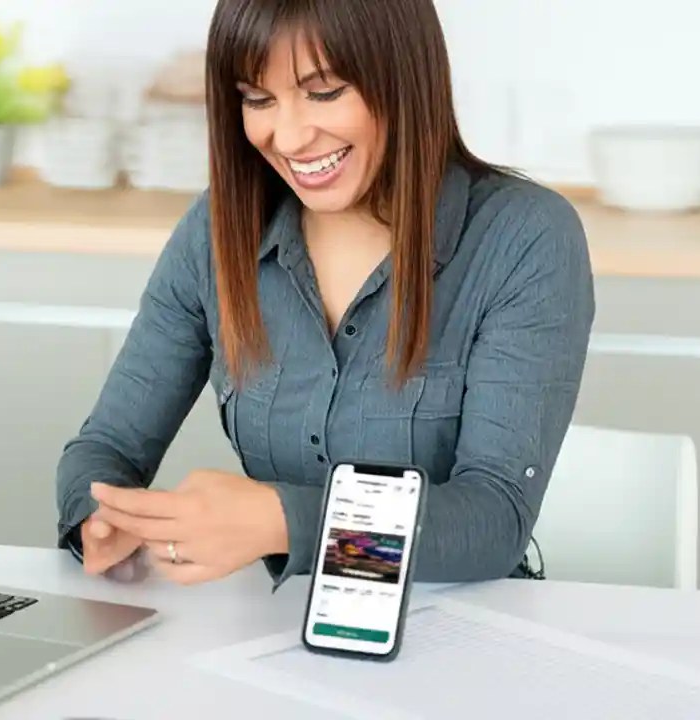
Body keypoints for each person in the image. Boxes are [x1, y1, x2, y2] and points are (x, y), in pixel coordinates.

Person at [55, 0, 595, 589]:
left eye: (324, 91)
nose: (287, 136)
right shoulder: (218, 232)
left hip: (469, 638)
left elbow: (493, 522)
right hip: (281, 635)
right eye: (258, 99)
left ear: (403, 77)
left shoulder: (524, 236)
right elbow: (106, 446)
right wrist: (100, 520)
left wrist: (282, 522)